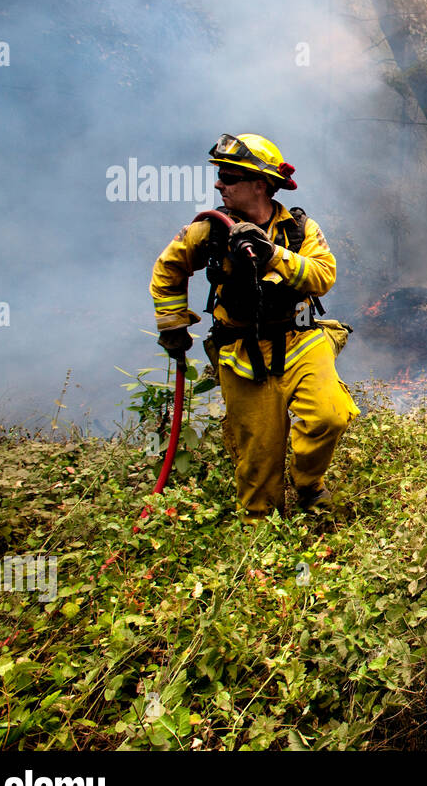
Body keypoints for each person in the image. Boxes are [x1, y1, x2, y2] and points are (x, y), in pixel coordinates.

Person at [150, 133, 360, 519]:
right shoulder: (210, 231)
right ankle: (260, 531)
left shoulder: (299, 229)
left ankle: (309, 485)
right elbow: (167, 268)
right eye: (220, 176)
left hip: (301, 340)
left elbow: (322, 275)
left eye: (229, 176)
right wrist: (173, 325)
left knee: (329, 415)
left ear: (260, 184)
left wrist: (274, 254)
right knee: (259, 454)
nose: (219, 184)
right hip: (242, 350)